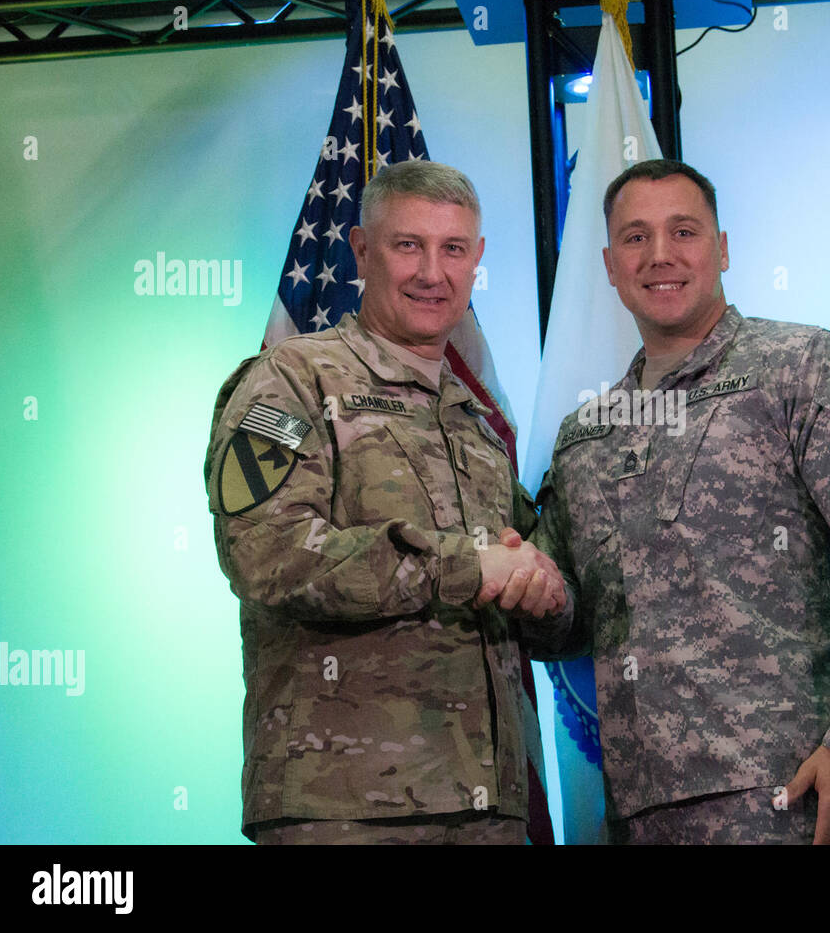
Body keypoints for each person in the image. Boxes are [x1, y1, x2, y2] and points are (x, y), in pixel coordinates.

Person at [530, 159, 830, 844]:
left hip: (794, 804)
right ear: (608, 264)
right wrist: (526, 587)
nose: (660, 255)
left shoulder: (808, 370)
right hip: (641, 818)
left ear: (721, 248)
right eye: (635, 238)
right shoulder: (585, 439)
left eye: (683, 231)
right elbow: (569, 628)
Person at [204, 160, 571, 845]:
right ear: (363, 251)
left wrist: (545, 592)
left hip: (488, 810)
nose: (433, 272)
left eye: (453, 249)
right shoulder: (291, 382)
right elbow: (266, 555)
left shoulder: (478, 422)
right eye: (409, 246)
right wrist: (468, 567)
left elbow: (529, 579)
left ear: (477, 260)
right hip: (346, 811)